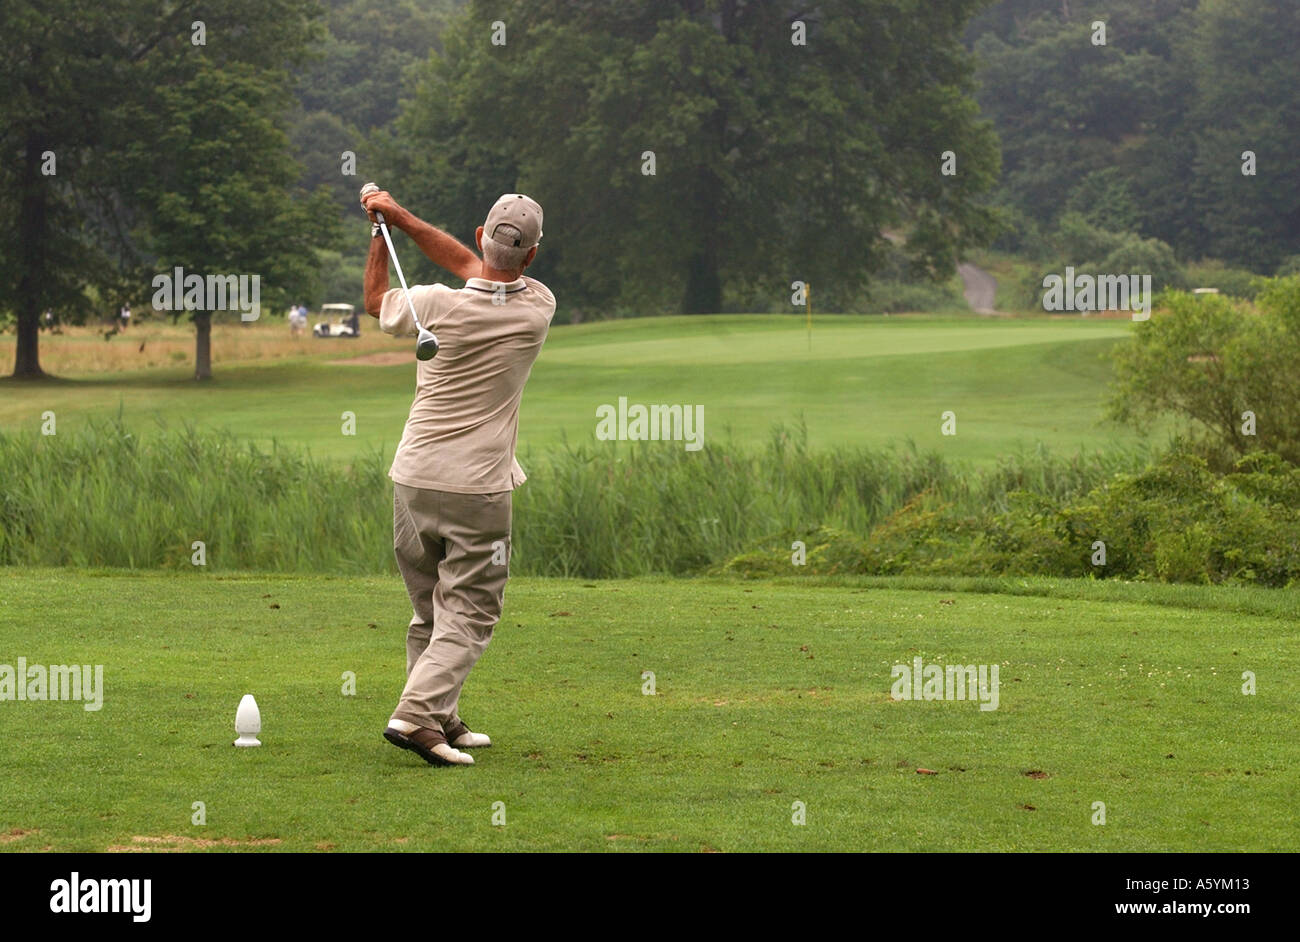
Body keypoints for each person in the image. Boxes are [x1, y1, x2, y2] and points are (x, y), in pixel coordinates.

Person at [361, 188, 553, 768]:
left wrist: (384, 228)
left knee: (431, 609)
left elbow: (374, 299)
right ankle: (416, 716)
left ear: (479, 236)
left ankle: (441, 713)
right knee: (471, 608)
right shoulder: (537, 306)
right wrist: (401, 219)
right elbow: (483, 270)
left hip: (414, 479)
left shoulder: (432, 306)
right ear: (534, 256)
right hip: (479, 488)